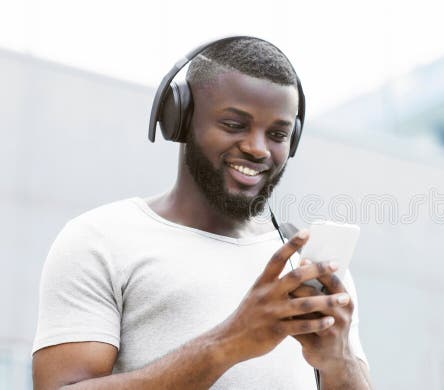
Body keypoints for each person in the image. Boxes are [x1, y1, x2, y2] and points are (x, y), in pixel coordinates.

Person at [31, 37, 372, 389]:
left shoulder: (307, 268)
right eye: (234, 125)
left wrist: (340, 360)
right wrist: (229, 343)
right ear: (180, 118)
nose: (257, 148)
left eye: (277, 134)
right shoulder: (100, 240)